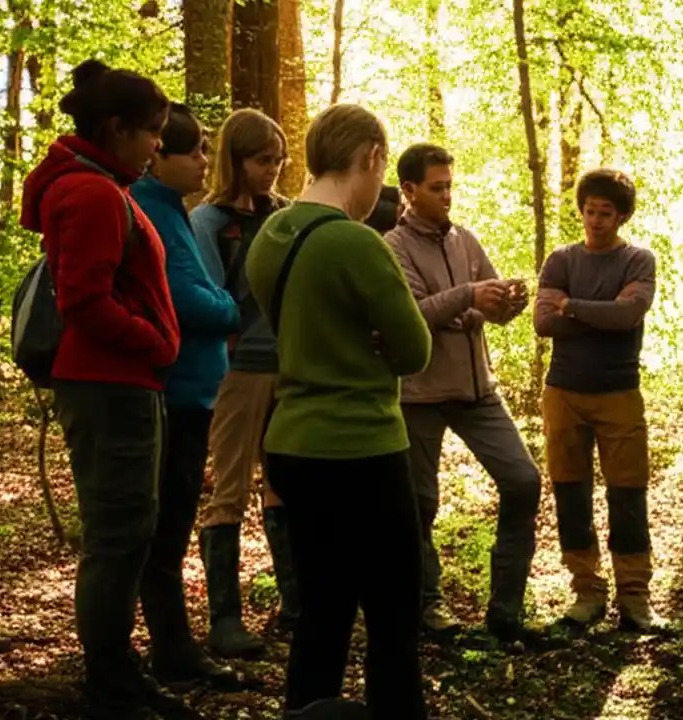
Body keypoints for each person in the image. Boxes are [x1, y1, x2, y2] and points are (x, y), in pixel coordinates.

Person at [19, 60, 194, 719]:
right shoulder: (91, 194)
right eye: (152, 133)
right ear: (116, 129)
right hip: (108, 384)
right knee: (120, 530)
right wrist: (157, 342)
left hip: (119, 382)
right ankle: (109, 679)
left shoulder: (102, 186)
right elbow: (86, 300)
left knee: (128, 525)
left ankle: (116, 669)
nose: (158, 144)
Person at [245, 104, 431, 716]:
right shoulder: (357, 243)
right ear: (372, 159)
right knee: (393, 615)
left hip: (291, 442)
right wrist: (377, 339)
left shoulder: (269, 237)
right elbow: (413, 349)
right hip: (362, 446)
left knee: (321, 608)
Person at [383, 143, 542, 643]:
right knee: (419, 503)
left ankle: (506, 611)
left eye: (450, 184)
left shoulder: (465, 240)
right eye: (437, 187)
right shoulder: (392, 246)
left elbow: (483, 304)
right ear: (409, 191)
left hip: (478, 391)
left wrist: (505, 302)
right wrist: (469, 299)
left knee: (523, 481)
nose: (447, 194)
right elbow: (411, 316)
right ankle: (426, 605)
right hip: (421, 394)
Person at [130, 103, 240, 690]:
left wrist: (217, 299)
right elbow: (191, 297)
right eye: (194, 149)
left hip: (194, 392)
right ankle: (170, 649)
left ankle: (172, 645)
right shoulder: (151, 208)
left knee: (172, 520)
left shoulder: (171, 209)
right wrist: (229, 308)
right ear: (159, 155)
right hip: (175, 395)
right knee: (166, 525)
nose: (204, 160)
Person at [534, 168, 663, 633]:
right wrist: (597, 311)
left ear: (622, 215)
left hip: (619, 392)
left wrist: (574, 306)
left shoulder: (637, 260)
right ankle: (586, 591)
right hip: (564, 391)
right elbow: (544, 322)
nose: (595, 220)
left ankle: (635, 597)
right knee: (571, 492)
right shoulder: (562, 260)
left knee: (628, 493)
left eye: (605, 212)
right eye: (589, 211)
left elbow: (629, 314)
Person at [191, 108, 295, 658]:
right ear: (236, 160)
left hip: (288, 365)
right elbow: (208, 295)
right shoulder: (209, 222)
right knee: (229, 488)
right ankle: (224, 618)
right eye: (261, 160)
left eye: (278, 160)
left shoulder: (285, 215)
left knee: (286, 485)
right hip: (236, 370)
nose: (272, 171)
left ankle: (295, 605)